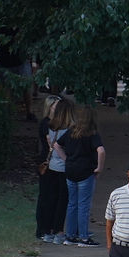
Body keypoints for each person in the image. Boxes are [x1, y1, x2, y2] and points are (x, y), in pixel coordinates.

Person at [54, 106, 106, 246]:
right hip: (85, 171)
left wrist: (66, 159)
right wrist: (99, 168)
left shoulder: (71, 132)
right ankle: (83, 236)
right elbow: (100, 151)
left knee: (72, 204)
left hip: (71, 170)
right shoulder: (92, 134)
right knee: (83, 205)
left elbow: (57, 145)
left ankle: (70, 235)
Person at [36, 97, 72, 244]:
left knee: (54, 198)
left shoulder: (55, 125)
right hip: (52, 164)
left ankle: (50, 229)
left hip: (52, 164)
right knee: (50, 198)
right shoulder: (49, 125)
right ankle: (47, 229)